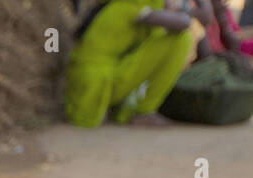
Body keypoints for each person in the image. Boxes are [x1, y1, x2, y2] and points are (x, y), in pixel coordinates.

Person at [65, 0, 211, 126]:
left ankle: (131, 109)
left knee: (175, 38)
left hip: (100, 80)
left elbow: (204, 17)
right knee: (182, 39)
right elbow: (184, 22)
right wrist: (182, 8)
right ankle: (143, 111)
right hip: (96, 84)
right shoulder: (135, 7)